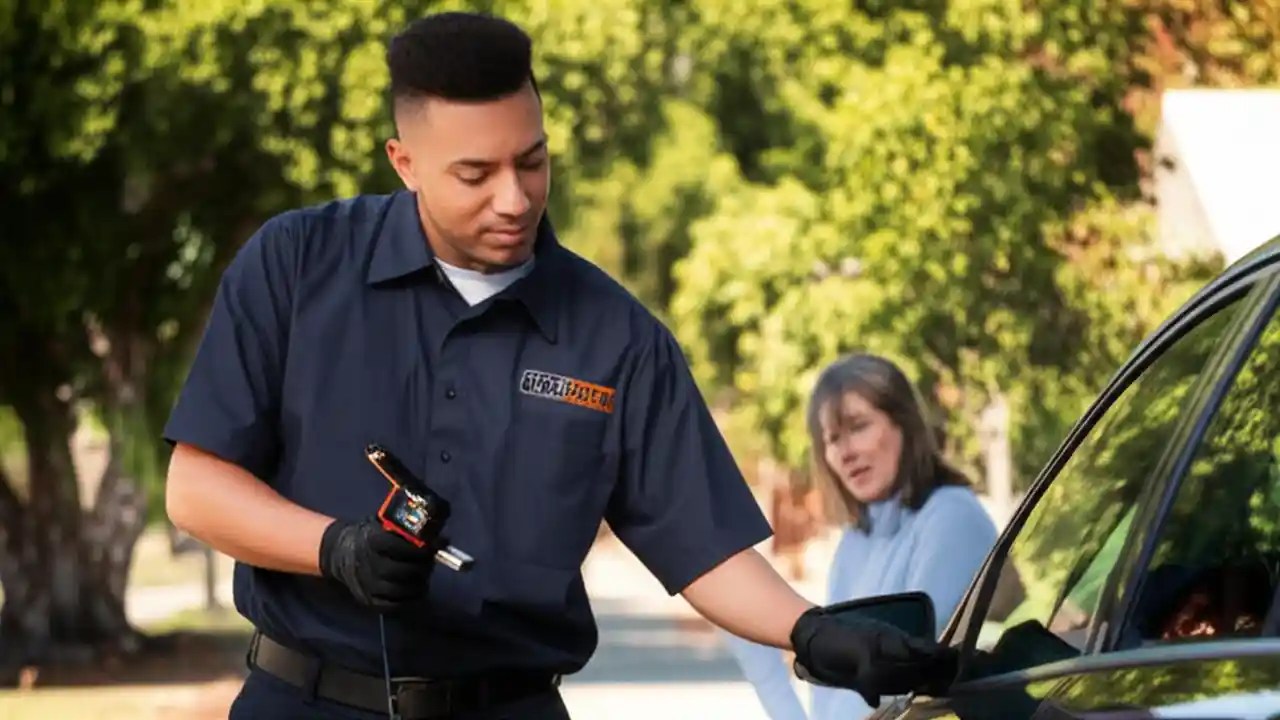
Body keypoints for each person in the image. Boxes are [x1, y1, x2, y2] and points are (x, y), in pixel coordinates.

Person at [162, 12, 956, 720]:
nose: (514, 198)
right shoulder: (297, 265)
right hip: (303, 702)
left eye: (532, 161)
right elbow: (196, 488)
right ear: (404, 162)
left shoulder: (619, 338)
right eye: (475, 174)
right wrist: (335, 548)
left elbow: (700, 545)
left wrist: (811, 632)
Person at [725, 353, 997, 720]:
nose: (846, 452)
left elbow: (904, 688)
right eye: (832, 439)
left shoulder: (952, 517)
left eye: (858, 426)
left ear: (904, 423)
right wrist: (761, 655)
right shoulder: (855, 540)